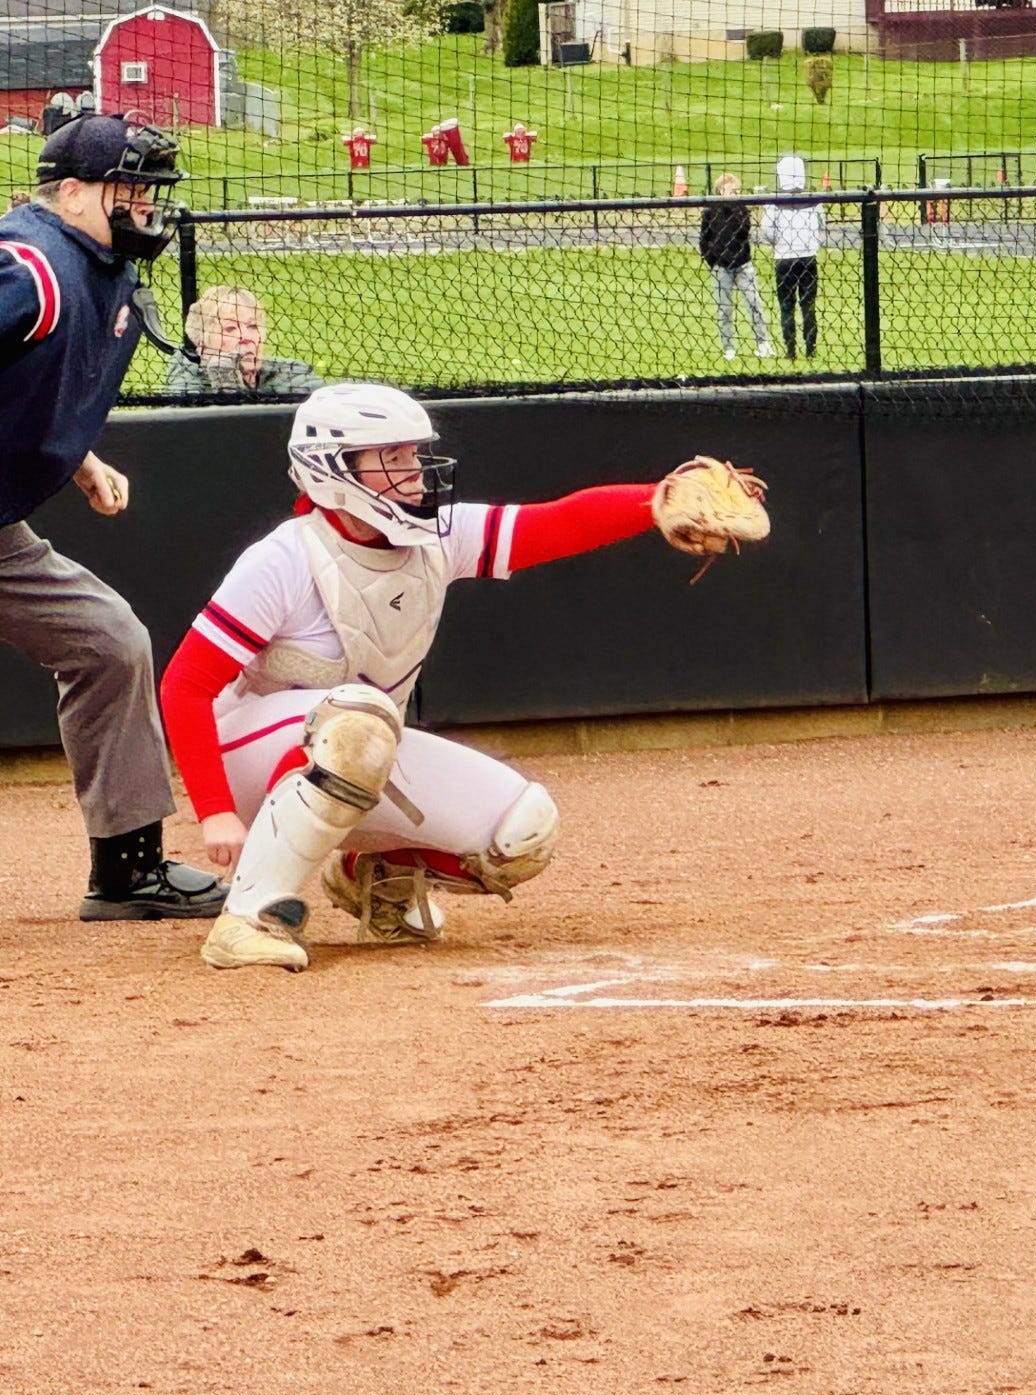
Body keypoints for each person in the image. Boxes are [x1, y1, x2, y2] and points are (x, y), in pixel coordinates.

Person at [156, 384, 739, 970]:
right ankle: (247, 919)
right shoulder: (284, 558)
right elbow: (184, 686)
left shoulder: (436, 535)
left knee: (521, 833)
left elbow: (553, 524)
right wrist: (215, 810)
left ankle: (374, 878)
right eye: (392, 457)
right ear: (332, 469)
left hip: (352, 746)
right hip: (245, 763)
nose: (414, 471)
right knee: (359, 720)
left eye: (413, 453)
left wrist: (657, 500)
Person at [0, 113, 227, 921]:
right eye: (127, 189)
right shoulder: (29, 268)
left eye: (147, 191)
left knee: (107, 642)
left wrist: (80, 458)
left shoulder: (97, 267)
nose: (144, 205)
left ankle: (127, 869)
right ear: (70, 193)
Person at [161, 286, 321, 396]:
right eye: (230, 328)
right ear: (202, 345)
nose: (245, 337)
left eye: (252, 326)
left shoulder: (292, 372)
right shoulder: (186, 383)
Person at [697, 174, 772, 362]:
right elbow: (704, 240)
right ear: (720, 190)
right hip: (721, 266)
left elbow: (744, 230)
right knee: (725, 309)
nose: (735, 193)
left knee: (754, 303)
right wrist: (712, 261)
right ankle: (728, 347)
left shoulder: (742, 209)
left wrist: (734, 208)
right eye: (732, 190)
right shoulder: (709, 212)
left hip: (743, 263)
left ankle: (763, 343)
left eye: (737, 190)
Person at [765, 154, 823, 360]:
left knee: (786, 306)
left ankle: (790, 350)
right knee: (808, 304)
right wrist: (812, 242)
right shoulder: (812, 198)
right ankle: (811, 348)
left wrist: (779, 241)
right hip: (808, 256)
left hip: (784, 257)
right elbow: (821, 225)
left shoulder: (774, 200)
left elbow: (767, 230)